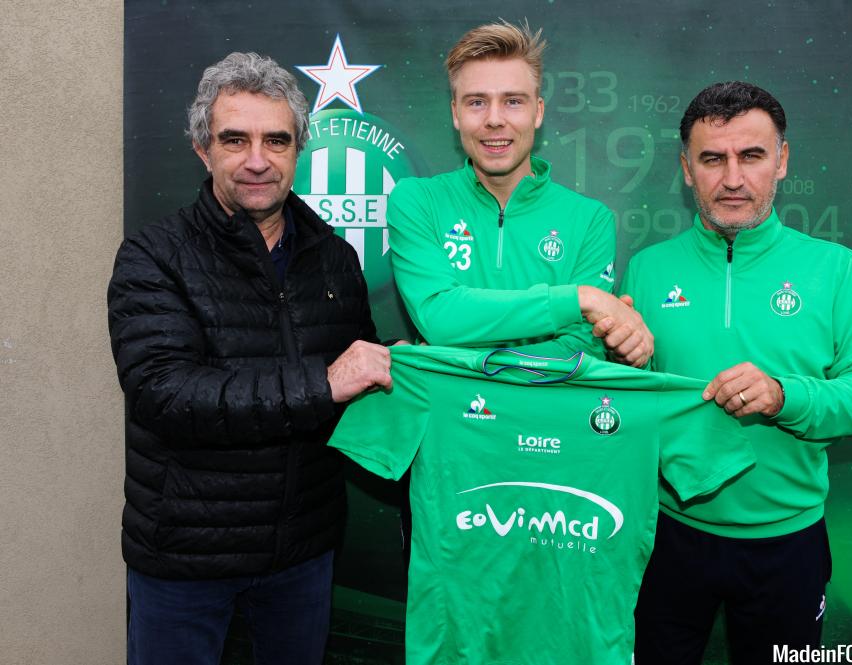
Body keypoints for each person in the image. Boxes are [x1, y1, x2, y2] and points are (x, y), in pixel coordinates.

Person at [107, 52, 392, 665]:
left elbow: (359, 381)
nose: (257, 160)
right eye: (234, 139)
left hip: (303, 555)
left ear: (300, 149)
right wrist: (326, 381)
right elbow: (167, 394)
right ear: (201, 149)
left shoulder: (335, 258)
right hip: (186, 561)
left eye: (277, 140)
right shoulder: (152, 256)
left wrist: (425, 371)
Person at [624, 81, 852, 663]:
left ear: (782, 161)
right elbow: (626, 404)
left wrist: (784, 396)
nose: (732, 179)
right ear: (685, 167)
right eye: (712, 159)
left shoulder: (835, 268)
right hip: (667, 538)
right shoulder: (648, 270)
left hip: (787, 545)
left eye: (751, 156)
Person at [386, 20, 652, 366]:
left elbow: (579, 351)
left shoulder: (589, 220)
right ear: (455, 113)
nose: (494, 120)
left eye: (513, 101)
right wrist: (580, 299)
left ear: (537, 111)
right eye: (477, 102)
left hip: (547, 418)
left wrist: (449, 358)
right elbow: (438, 318)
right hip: (448, 419)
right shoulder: (416, 200)